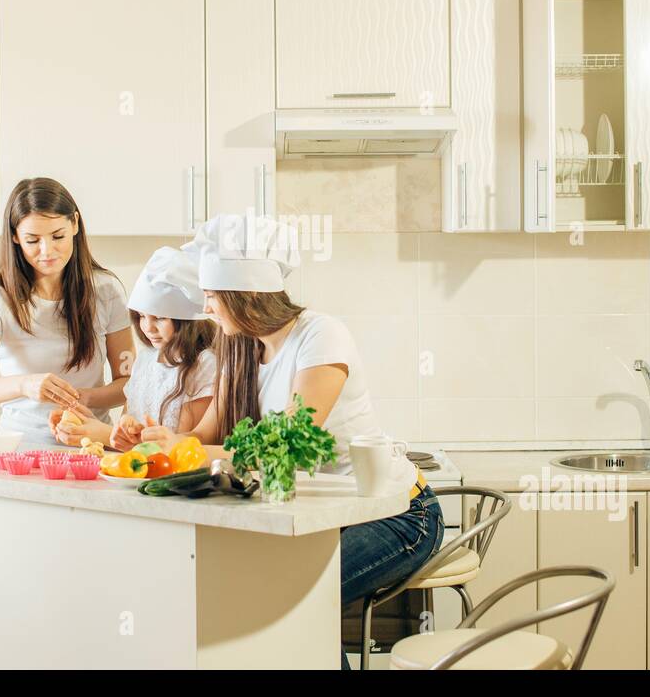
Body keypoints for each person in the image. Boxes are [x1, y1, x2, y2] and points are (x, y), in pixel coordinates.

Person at [143, 214, 442, 668]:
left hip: (397, 514)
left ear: (244, 297)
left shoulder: (321, 335)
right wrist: (161, 439)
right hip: (322, 517)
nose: (205, 311)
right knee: (273, 600)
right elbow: (203, 437)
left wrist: (185, 451)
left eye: (211, 299)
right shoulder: (241, 347)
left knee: (297, 602)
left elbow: (289, 441)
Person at [0, 177, 133, 449]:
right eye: (32, 240)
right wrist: (24, 385)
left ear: (75, 224)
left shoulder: (105, 292)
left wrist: (82, 399)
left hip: (91, 449)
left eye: (57, 236)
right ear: (15, 236)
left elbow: (128, 382)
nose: (47, 251)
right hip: (19, 451)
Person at [52, 247, 216, 449]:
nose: (147, 327)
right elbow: (124, 434)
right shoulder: (147, 359)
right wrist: (86, 422)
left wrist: (102, 434)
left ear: (188, 320)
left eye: (160, 318)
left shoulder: (205, 364)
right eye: (141, 316)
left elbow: (182, 449)